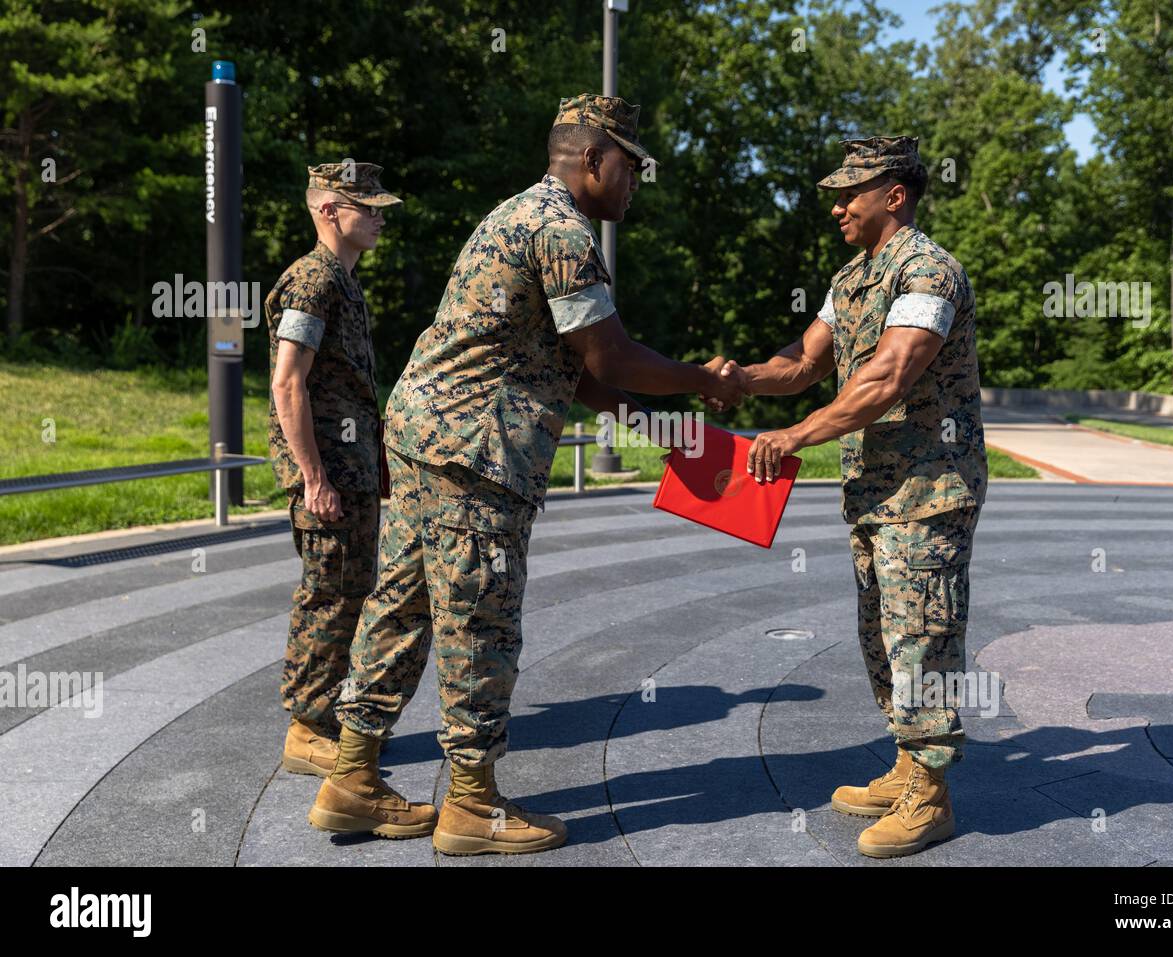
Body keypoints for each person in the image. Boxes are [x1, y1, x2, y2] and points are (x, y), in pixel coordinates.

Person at [306, 94, 745, 851]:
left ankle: (352, 777)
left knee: (400, 605)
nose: (636, 182)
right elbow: (610, 354)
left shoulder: (517, 213)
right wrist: (702, 377)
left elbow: (573, 369)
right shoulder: (563, 231)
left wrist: (661, 422)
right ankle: (472, 804)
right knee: (480, 619)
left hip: (422, 436)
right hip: (476, 454)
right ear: (593, 159)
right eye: (632, 166)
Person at [717, 136, 986, 858]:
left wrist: (794, 434)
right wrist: (742, 377)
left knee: (923, 636)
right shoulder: (851, 279)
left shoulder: (929, 272)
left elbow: (889, 375)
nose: (836, 205)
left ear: (893, 195)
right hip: (874, 492)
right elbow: (807, 361)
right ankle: (906, 762)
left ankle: (931, 794)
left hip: (929, 491)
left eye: (850, 192)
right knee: (881, 634)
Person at [266, 162, 398, 779]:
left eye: (379, 206)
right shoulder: (313, 281)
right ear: (327, 211)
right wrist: (313, 477)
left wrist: (372, 463)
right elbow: (287, 383)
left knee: (350, 592)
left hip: (351, 471)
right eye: (364, 205)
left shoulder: (343, 282)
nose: (377, 216)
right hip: (328, 475)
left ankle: (329, 716)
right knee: (328, 594)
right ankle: (307, 728)